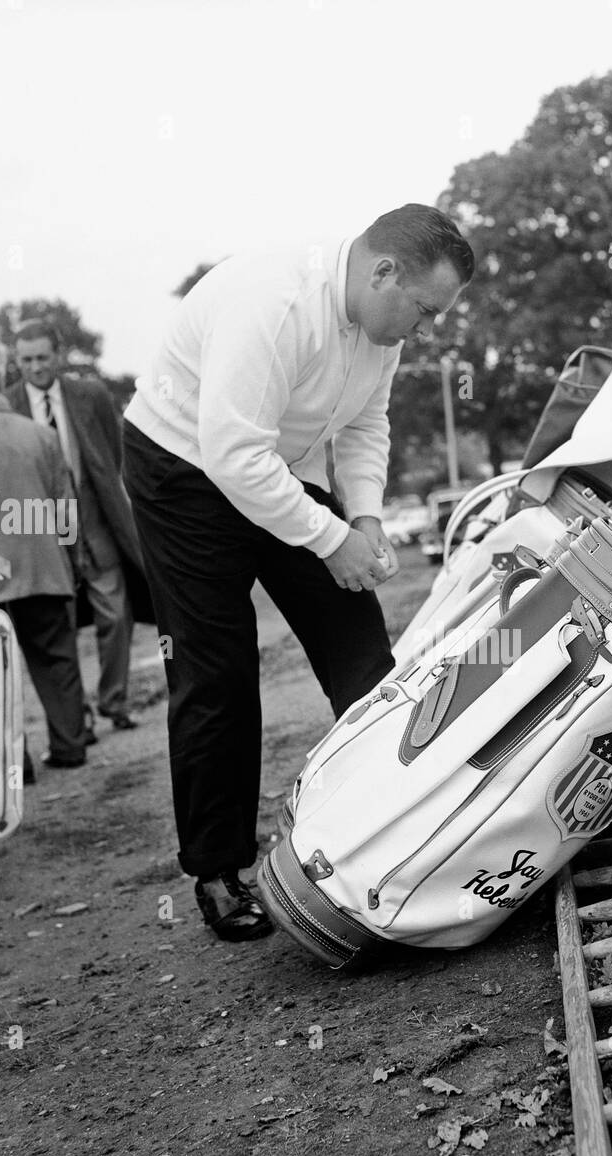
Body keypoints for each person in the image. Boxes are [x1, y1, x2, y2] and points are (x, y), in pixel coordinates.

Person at [121, 204, 475, 942]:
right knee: (215, 668)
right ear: (382, 271)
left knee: (362, 651)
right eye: (424, 310)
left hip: (277, 465)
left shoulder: (384, 328)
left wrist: (367, 520)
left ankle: (399, 823)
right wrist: (328, 536)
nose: (427, 327)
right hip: (183, 468)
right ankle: (219, 871)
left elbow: (364, 426)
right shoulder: (272, 304)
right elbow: (230, 455)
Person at [6, 320, 146, 738]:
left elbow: (114, 457)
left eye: (43, 357)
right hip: (44, 537)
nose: (36, 367)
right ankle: (74, 715)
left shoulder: (91, 395)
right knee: (58, 629)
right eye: (27, 360)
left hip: (97, 524)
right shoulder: (8, 404)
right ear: (17, 361)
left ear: (58, 354)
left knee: (117, 616)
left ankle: (114, 701)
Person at [0, 336, 87, 769]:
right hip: (44, 566)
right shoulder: (40, 434)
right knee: (57, 658)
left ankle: (8, 763)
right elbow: (66, 506)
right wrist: (74, 562)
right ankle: (69, 745)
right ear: (1, 376)